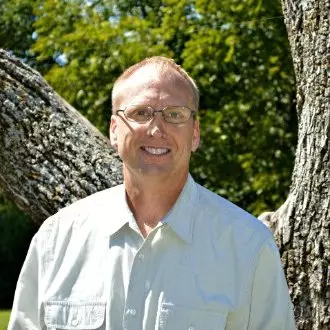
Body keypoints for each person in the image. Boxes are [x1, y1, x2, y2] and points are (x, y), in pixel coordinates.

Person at [9, 56, 296, 330]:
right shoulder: (56, 240)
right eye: (140, 113)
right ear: (113, 130)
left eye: (175, 115)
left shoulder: (248, 245)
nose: (157, 129)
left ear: (194, 133)